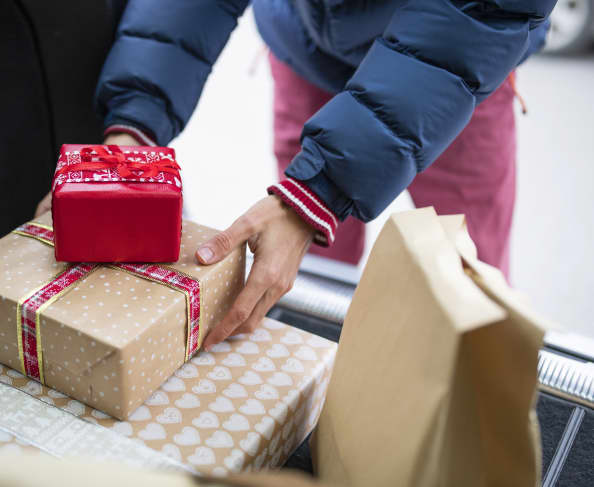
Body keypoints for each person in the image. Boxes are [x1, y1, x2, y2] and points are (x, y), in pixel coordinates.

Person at [35, 0, 554, 350]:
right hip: (305, 51)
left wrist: (317, 190)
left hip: (451, 79)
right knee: (302, 268)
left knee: (466, 268)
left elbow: (485, 10)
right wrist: (134, 123)